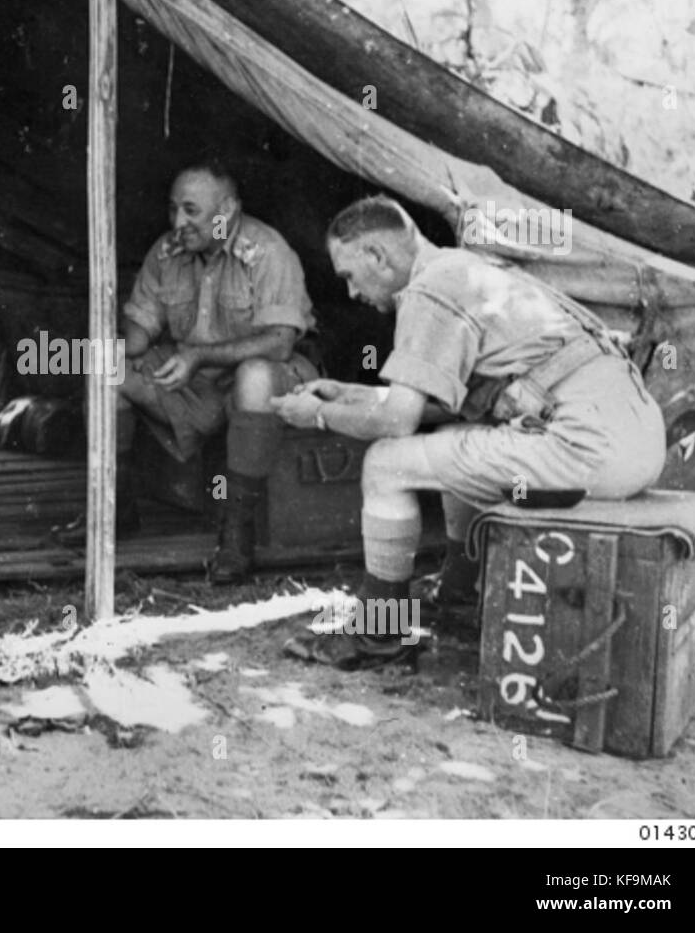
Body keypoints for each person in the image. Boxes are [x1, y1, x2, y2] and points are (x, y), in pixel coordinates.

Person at [271, 195, 666, 669]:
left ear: (377, 255)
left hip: (586, 449)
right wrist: (345, 394)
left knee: (385, 463)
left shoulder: (428, 292)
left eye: (349, 275)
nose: (352, 293)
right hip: (637, 439)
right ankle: (460, 591)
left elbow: (397, 421)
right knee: (460, 439)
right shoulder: (468, 268)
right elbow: (430, 404)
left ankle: (380, 634)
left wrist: (316, 416)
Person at [105, 159, 319, 584]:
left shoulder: (267, 252)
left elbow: (280, 340)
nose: (178, 222)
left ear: (228, 211)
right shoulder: (167, 252)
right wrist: (114, 347)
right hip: (197, 383)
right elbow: (140, 331)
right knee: (106, 372)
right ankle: (115, 508)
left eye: (191, 210)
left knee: (254, 374)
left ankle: (236, 535)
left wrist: (200, 355)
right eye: (173, 210)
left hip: (273, 376)